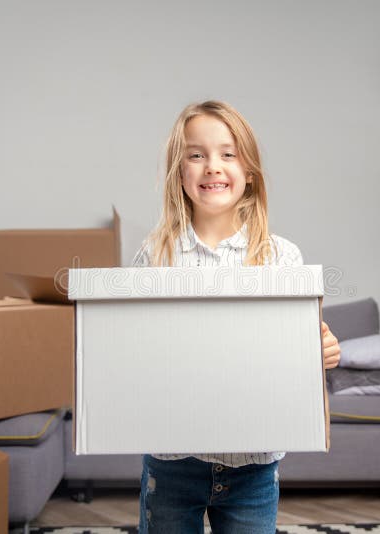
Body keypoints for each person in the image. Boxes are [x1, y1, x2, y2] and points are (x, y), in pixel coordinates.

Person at [133, 100, 341, 534]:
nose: (212, 166)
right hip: (172, 462)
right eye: (196, 154)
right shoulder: (154, 256)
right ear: (179, 172)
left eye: (228, 154)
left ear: (249, 172)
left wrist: (319, 349)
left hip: (254, 465)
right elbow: (137, 350)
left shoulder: (281, 257)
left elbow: (297, 350)